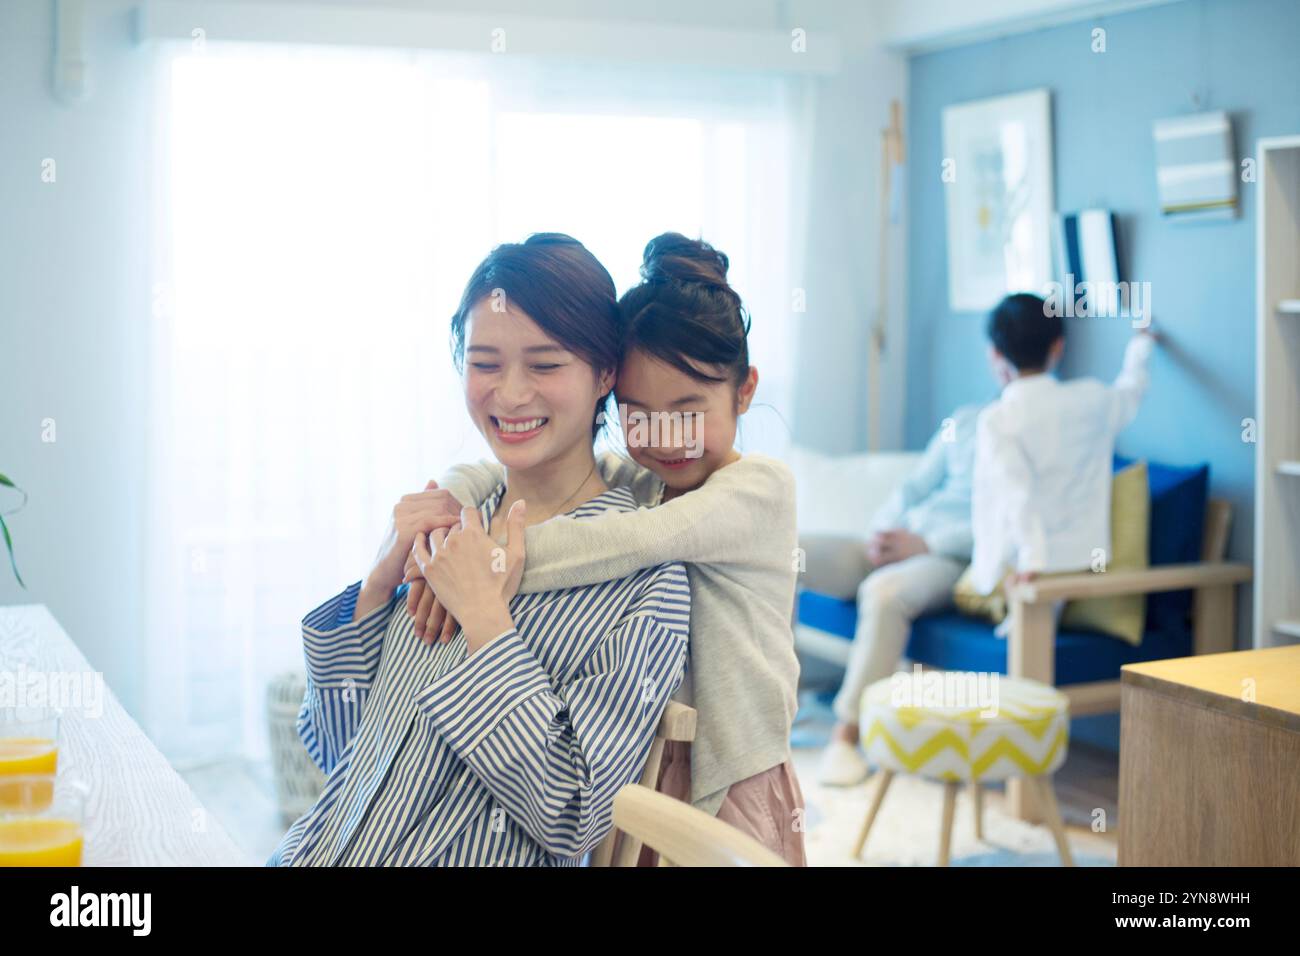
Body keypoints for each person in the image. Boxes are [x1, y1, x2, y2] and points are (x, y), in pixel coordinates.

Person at [268, 234, 689, 866]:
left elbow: (572, 814)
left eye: (545, 365)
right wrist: (377, 587)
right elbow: (336, 751)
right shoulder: (446, 532)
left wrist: (488, 624)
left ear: (605, 372)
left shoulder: (647, 578)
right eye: (486, 363)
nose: (512, 394)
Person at [411, 234, 807, 864]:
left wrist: (477, 565)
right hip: (659, 760)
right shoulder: (651, 478)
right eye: (637, 413)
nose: (664, 436)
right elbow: (514, 474)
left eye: (689, 408)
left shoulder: (757, 488)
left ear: (745, 390)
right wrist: (448, 499)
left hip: (738, 767)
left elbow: (629, 539)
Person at [804, 403, 983, 786]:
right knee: (788, 553)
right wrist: (882, 535)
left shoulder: (1036, 435)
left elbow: (1005, 525)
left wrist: (926, 544)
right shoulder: (966, 421)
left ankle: (846, 737)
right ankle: (768, 710)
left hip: (948, 560)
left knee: (882, 594)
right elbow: (914, 486)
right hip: (894, 544)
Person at [969, 292, 1156, 595]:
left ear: (995, 355)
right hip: (1084, 561)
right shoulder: (1092, 398)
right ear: (1058, 346)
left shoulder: (998, 419)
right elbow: (1130, 392)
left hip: (1030, 567)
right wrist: (1141, 344)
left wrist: (1032, 559)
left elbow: (1017, 491)